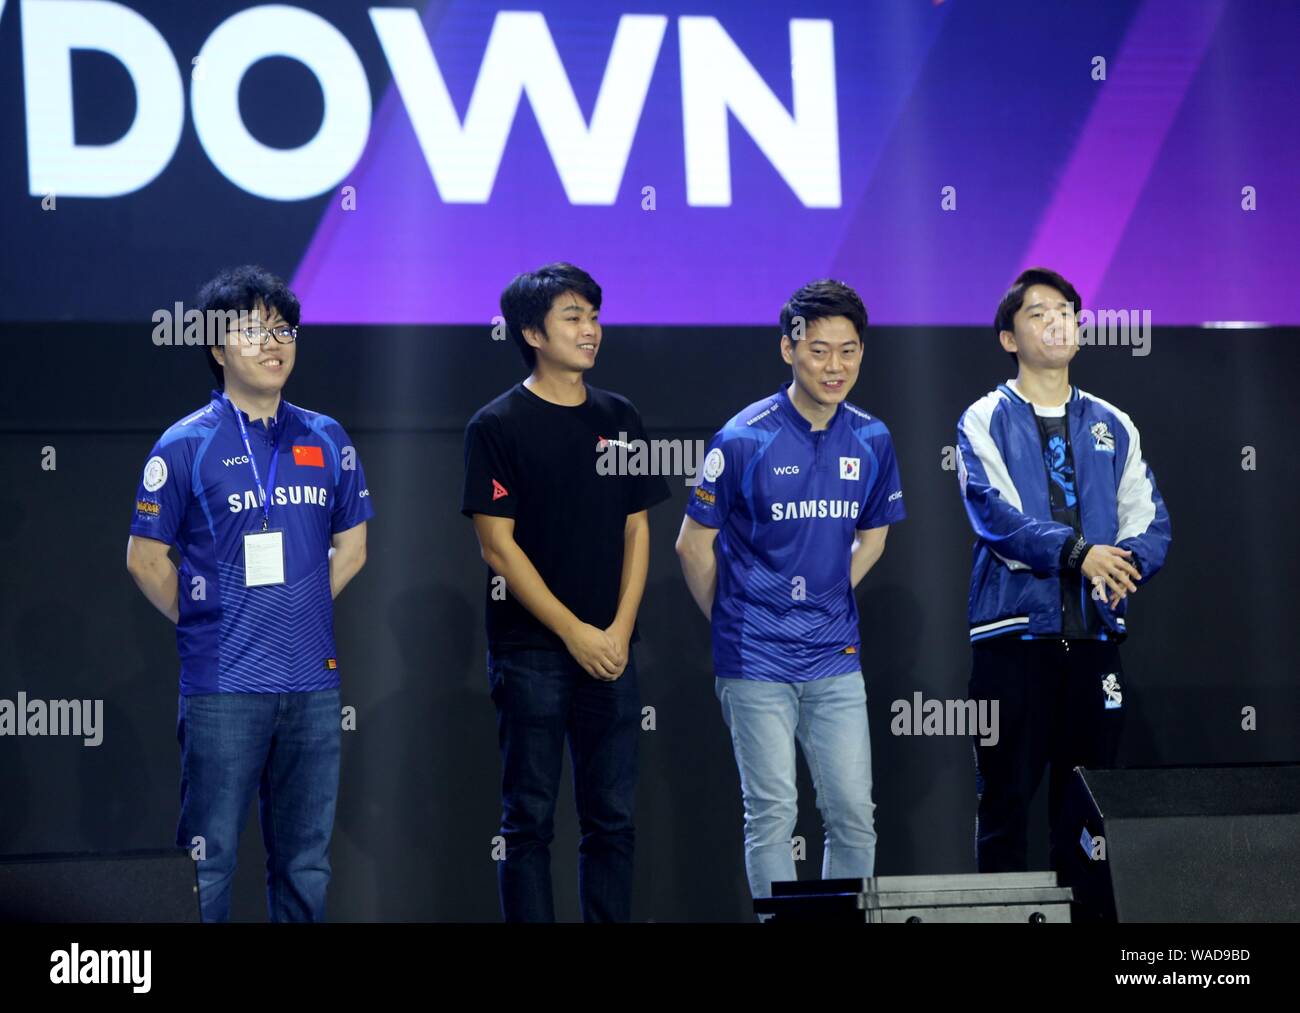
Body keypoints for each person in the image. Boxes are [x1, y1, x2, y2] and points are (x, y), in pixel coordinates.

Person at [125, 265, 372, 921]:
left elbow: (354, 547)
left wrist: (301, 602)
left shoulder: (327, 437)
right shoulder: (185, 445)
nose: (273, 342)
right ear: (215, 346)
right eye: (253, 330)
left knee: (306, 865)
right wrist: (210, 616)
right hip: (223, 689)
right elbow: (146, 558)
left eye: (283, 328)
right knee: (208, 864)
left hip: (313, 688)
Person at [675, 279, 906, 912]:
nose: (835, 366)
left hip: (835, 657)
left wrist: (824, 597)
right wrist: (736, 616)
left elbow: (875, 538)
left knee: (854, 815)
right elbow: (692, 546)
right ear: (788, 350)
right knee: (774, 814)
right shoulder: (742, 438)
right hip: (755, 661)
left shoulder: (873, 438)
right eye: (819, 350)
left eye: (849, 351)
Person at [461, 262, 670, 922]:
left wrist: (616, 629)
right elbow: (498, 546)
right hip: (531, 652)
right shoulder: (495, 425)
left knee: (612, 820)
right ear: (531, 331)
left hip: (612, 651)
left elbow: (639, 530)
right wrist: (574, 631)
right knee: (528, 821)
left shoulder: (621, 416)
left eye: (594, 316)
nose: (591, 330)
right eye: (573, 318)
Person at [955, 266, 1171, 872]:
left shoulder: (1113, 422)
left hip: (1095, 637)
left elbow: (1149, 520)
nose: (1057, 322)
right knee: (1003, 804)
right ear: (1008, 337)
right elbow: (994, 517)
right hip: (1013, 640)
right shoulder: (983, 419)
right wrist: (1082, 554)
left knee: (1089, 811)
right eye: (1038, 313)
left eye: (1066, 311)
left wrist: (1118, 564)